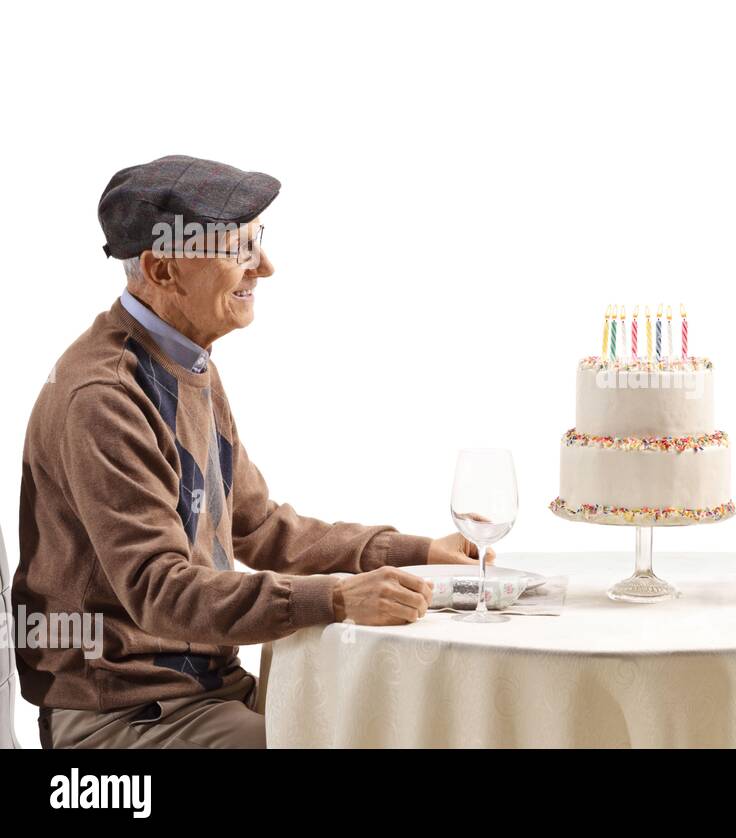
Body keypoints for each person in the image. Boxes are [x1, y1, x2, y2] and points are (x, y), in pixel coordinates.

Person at [14, 155, 490, 748]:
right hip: (123, 717)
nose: (263, 266)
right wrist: (339, 599)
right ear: (164, 269)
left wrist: (415, 551)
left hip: (205, 693)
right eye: (238, 247)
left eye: (256, 241)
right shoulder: (105, 397)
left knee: (397, 724)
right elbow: (161, 589)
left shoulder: (186, 361)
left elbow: (258, 526)